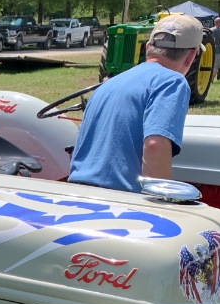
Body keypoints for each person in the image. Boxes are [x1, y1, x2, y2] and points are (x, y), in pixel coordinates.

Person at [67, 13, 201, 193]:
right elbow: (155, 144)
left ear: (147, 47)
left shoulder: (106, 85)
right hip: (120, 202)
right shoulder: (171, 81)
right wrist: (162, 201)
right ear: (191, 55)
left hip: (77, 192)